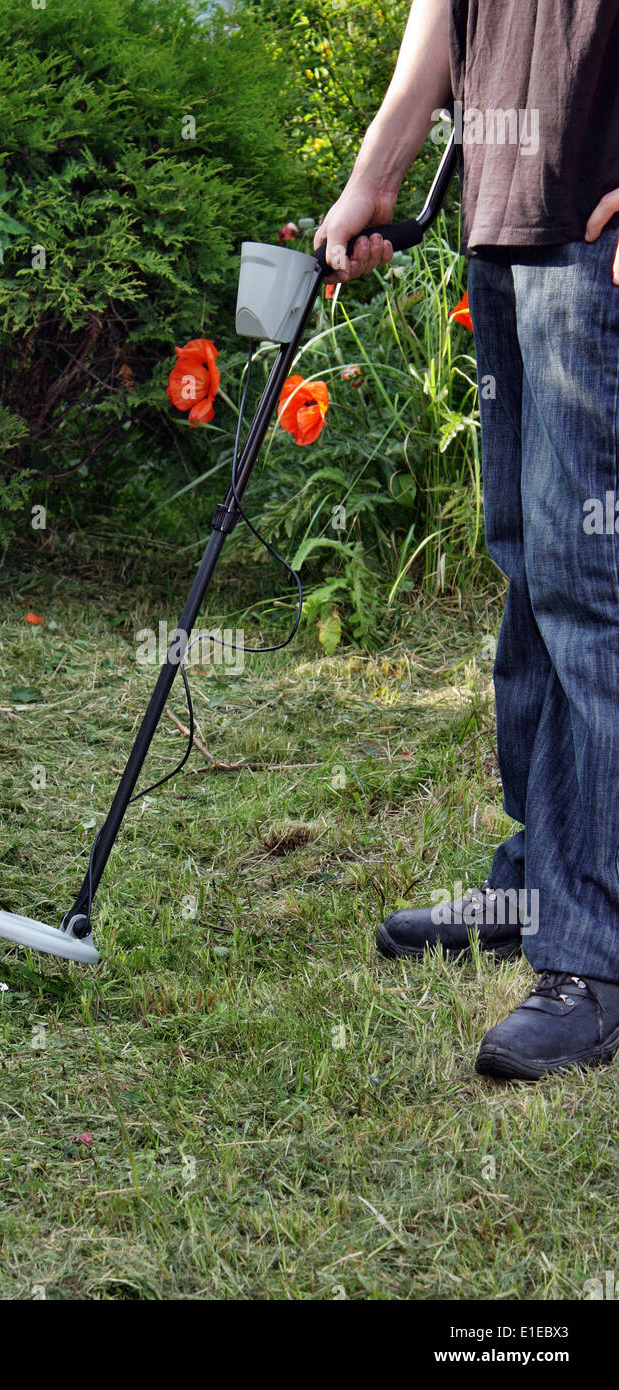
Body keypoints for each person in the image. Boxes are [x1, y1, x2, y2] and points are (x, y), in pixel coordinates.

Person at [314, 0, 619, 1081]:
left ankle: (591, 950)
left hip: (597, 226)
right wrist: (376, 172)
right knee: (530, 570)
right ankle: (538, 872)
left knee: (592, 587)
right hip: (505, 214)